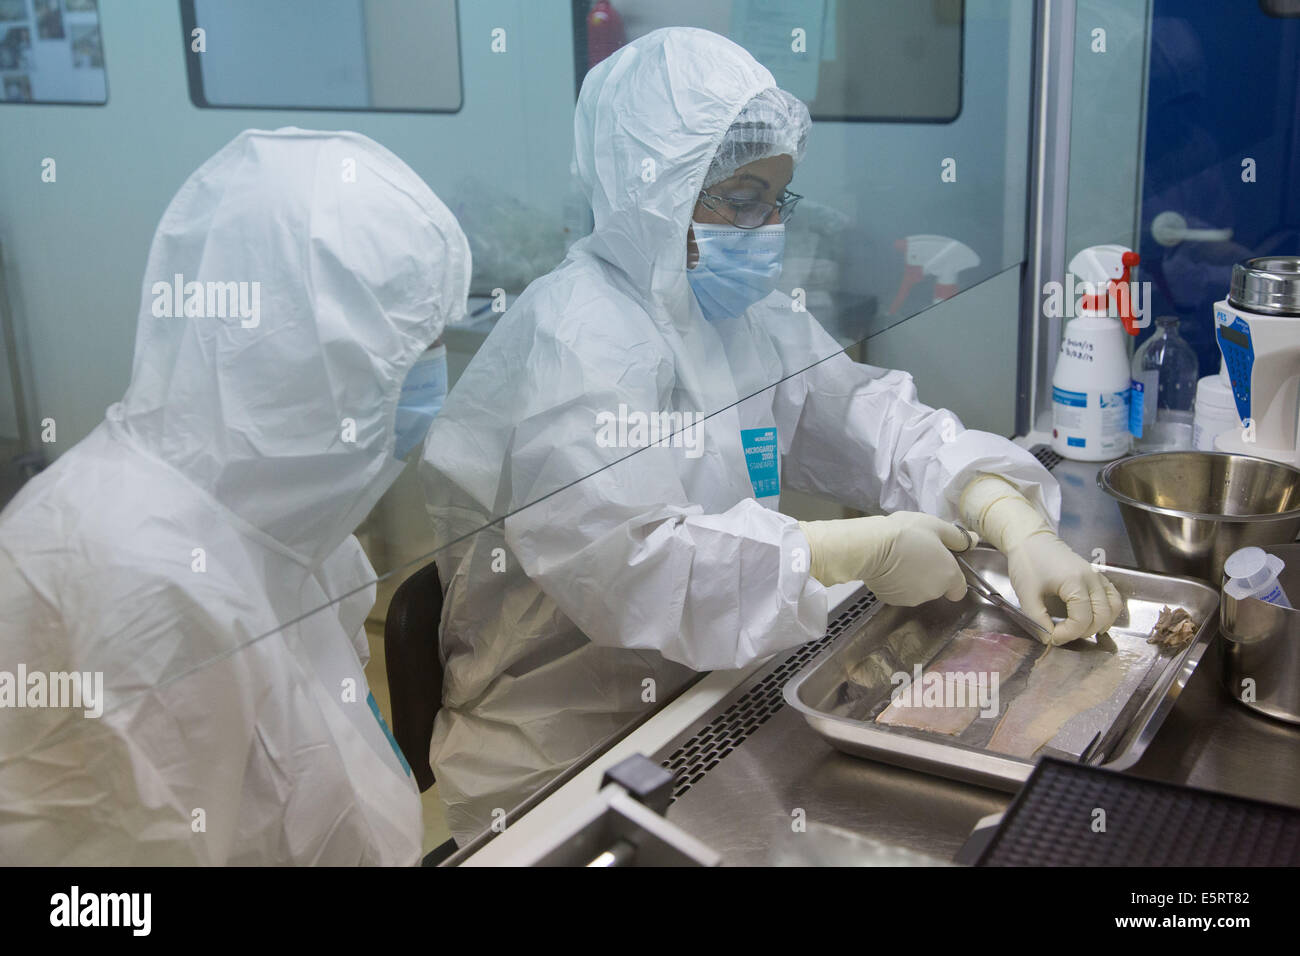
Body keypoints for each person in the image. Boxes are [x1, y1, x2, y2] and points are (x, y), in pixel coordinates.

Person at [420, 28, 1121, 844]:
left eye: (774, 200)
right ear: (658, 189)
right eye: (741, 198)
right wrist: (851, 551)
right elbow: (630, 564)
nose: (766, 229)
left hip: (702, 692)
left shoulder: (736, 317)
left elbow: (870, 419)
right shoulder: (578, 338)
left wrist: (1013, 519)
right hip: (560, 754)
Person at [0, 128, 471, 864]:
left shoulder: (289, 529)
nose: (432, 375)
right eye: (412, 346)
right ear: (300, 351)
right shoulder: (132, 586)